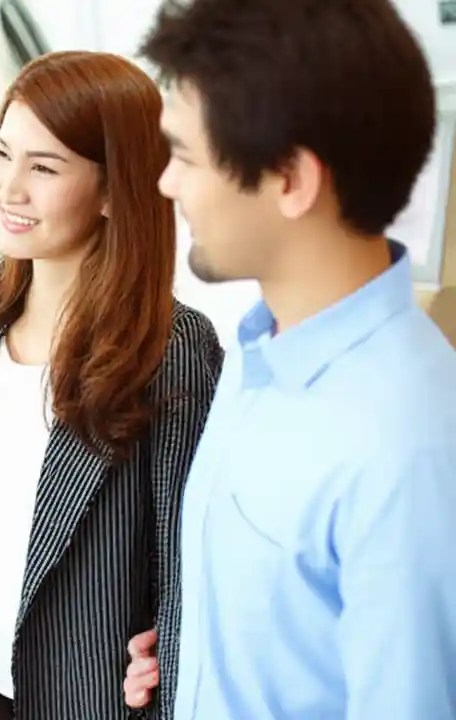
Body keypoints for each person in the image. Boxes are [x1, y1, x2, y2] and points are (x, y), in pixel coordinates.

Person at [123, 0, 456, 717]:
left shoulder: (406, 452)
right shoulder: (261, 348)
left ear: (291, 179)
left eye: (183, 155)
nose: (165, 184)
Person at [0, 50, 223, 720]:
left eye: (45, 167)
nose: (9, 187)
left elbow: (187, 574)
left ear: (111, 190)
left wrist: (171, 683)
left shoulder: (169, 350)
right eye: (5, 154)